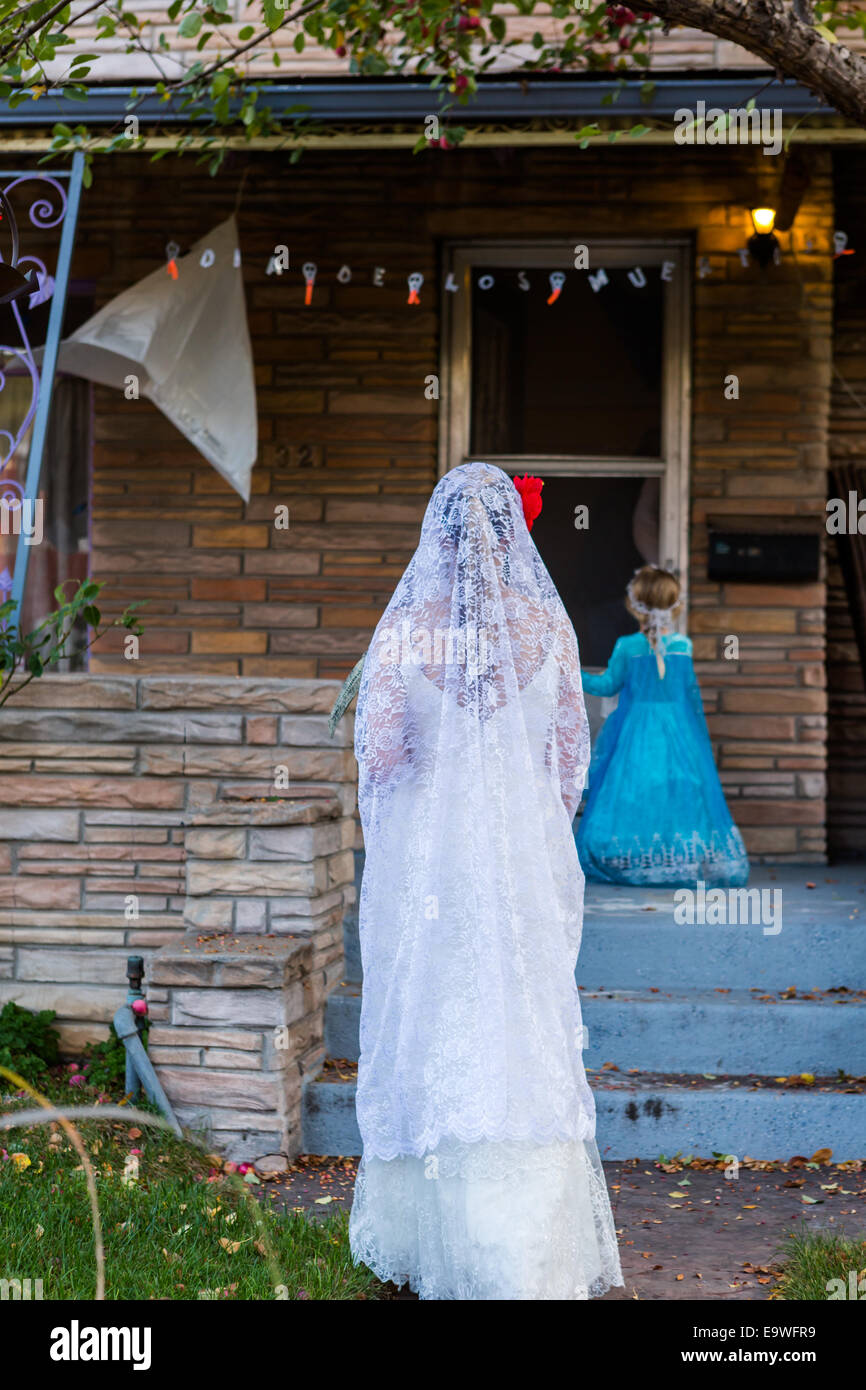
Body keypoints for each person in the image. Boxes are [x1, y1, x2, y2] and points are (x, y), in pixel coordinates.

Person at [348, 462, 623, 1301]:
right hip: (520, 862)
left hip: (435, 863)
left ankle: (436, 1235)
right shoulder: (550, 628)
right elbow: (568, 763)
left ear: (437, 535)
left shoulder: (408, 632)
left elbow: (383, 760)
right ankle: (527, 1246)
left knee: (436, 1012)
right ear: (517, 538)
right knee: (523, 1019)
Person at [575, 565, 749, 888]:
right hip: (678, 731)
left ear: (634, 604)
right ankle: (674, 859)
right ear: (675, 604)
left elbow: (607, 686)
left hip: (636, 731)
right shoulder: (683, 645)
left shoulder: (627, 646)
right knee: (677, 788)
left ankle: (633, 858)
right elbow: (689, 694)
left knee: (632, 790)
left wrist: (571, 672)